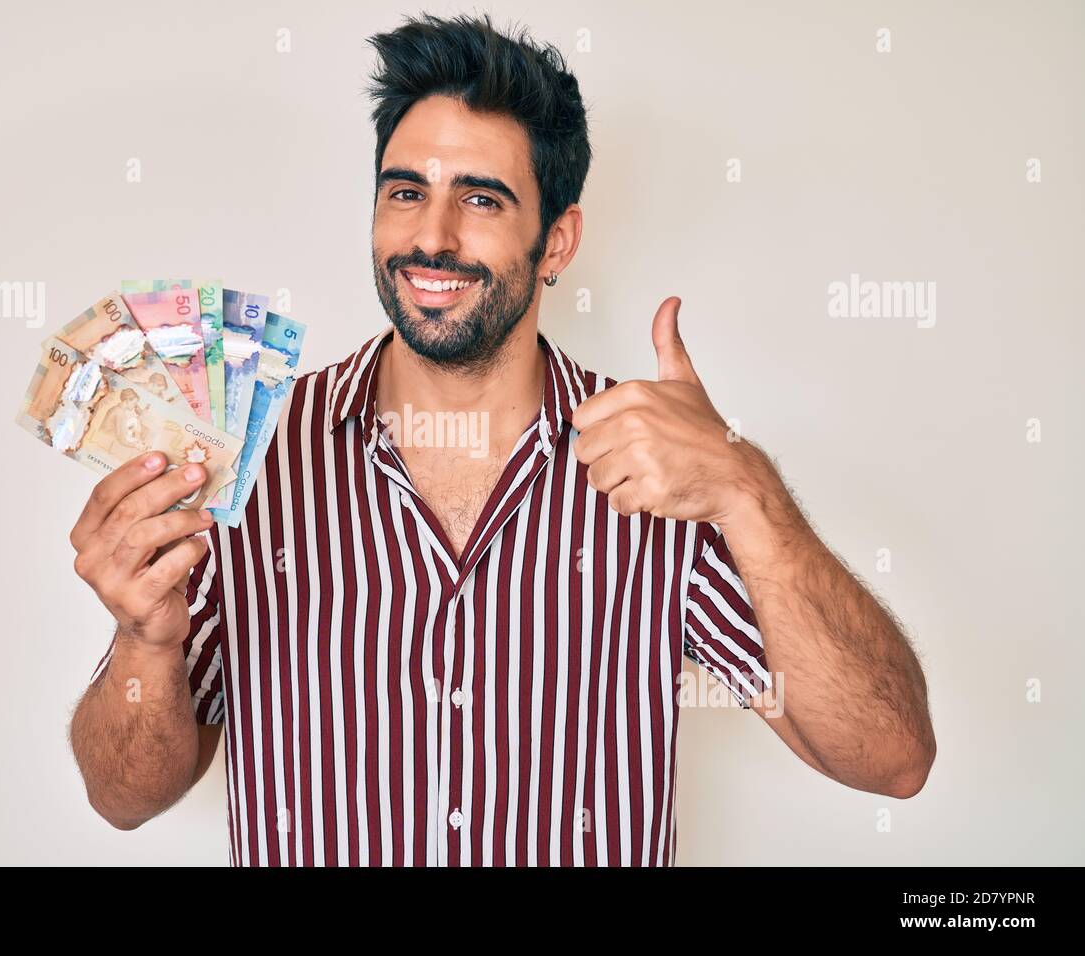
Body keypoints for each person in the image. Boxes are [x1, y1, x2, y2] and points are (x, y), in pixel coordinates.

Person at [67, 13, 935, 866]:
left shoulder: (668, 472)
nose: (431, 238)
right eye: (407, 192)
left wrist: (751, 494)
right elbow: (125, 798)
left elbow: (890, 759)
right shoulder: (250, 452)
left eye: (480, 199)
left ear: (556, 241)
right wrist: (145, 642)